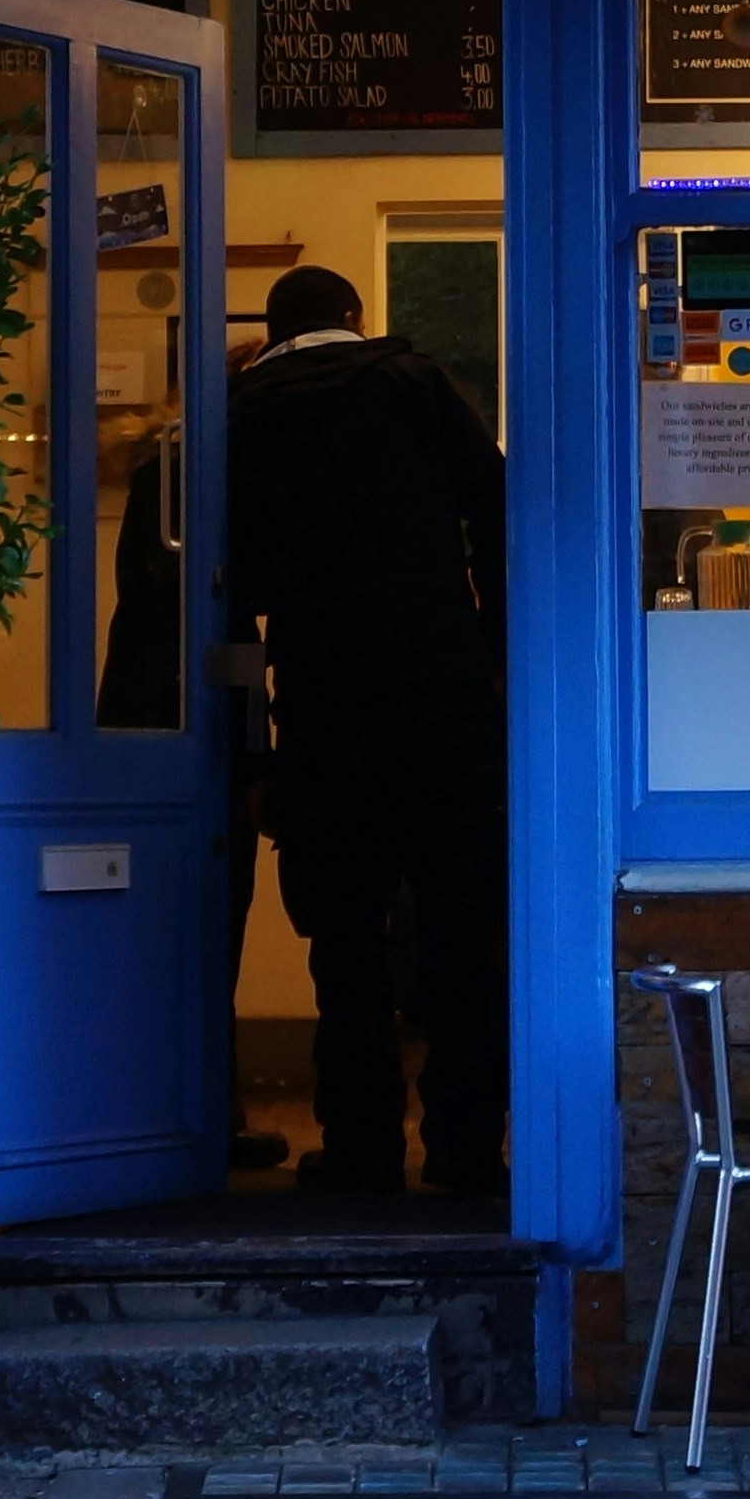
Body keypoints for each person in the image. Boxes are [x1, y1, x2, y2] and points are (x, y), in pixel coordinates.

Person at [226, 263, 507, 1199]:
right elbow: (498, 510)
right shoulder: (418, 385)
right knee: (463, 934)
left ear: (274, 332)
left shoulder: (244, 411)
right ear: (354, 317)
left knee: (344, 940)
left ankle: (361, 1150)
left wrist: (252, 742)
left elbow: (223, 581)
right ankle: (466, 1150)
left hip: (323, 703)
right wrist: (499, 654)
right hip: (444, 695)